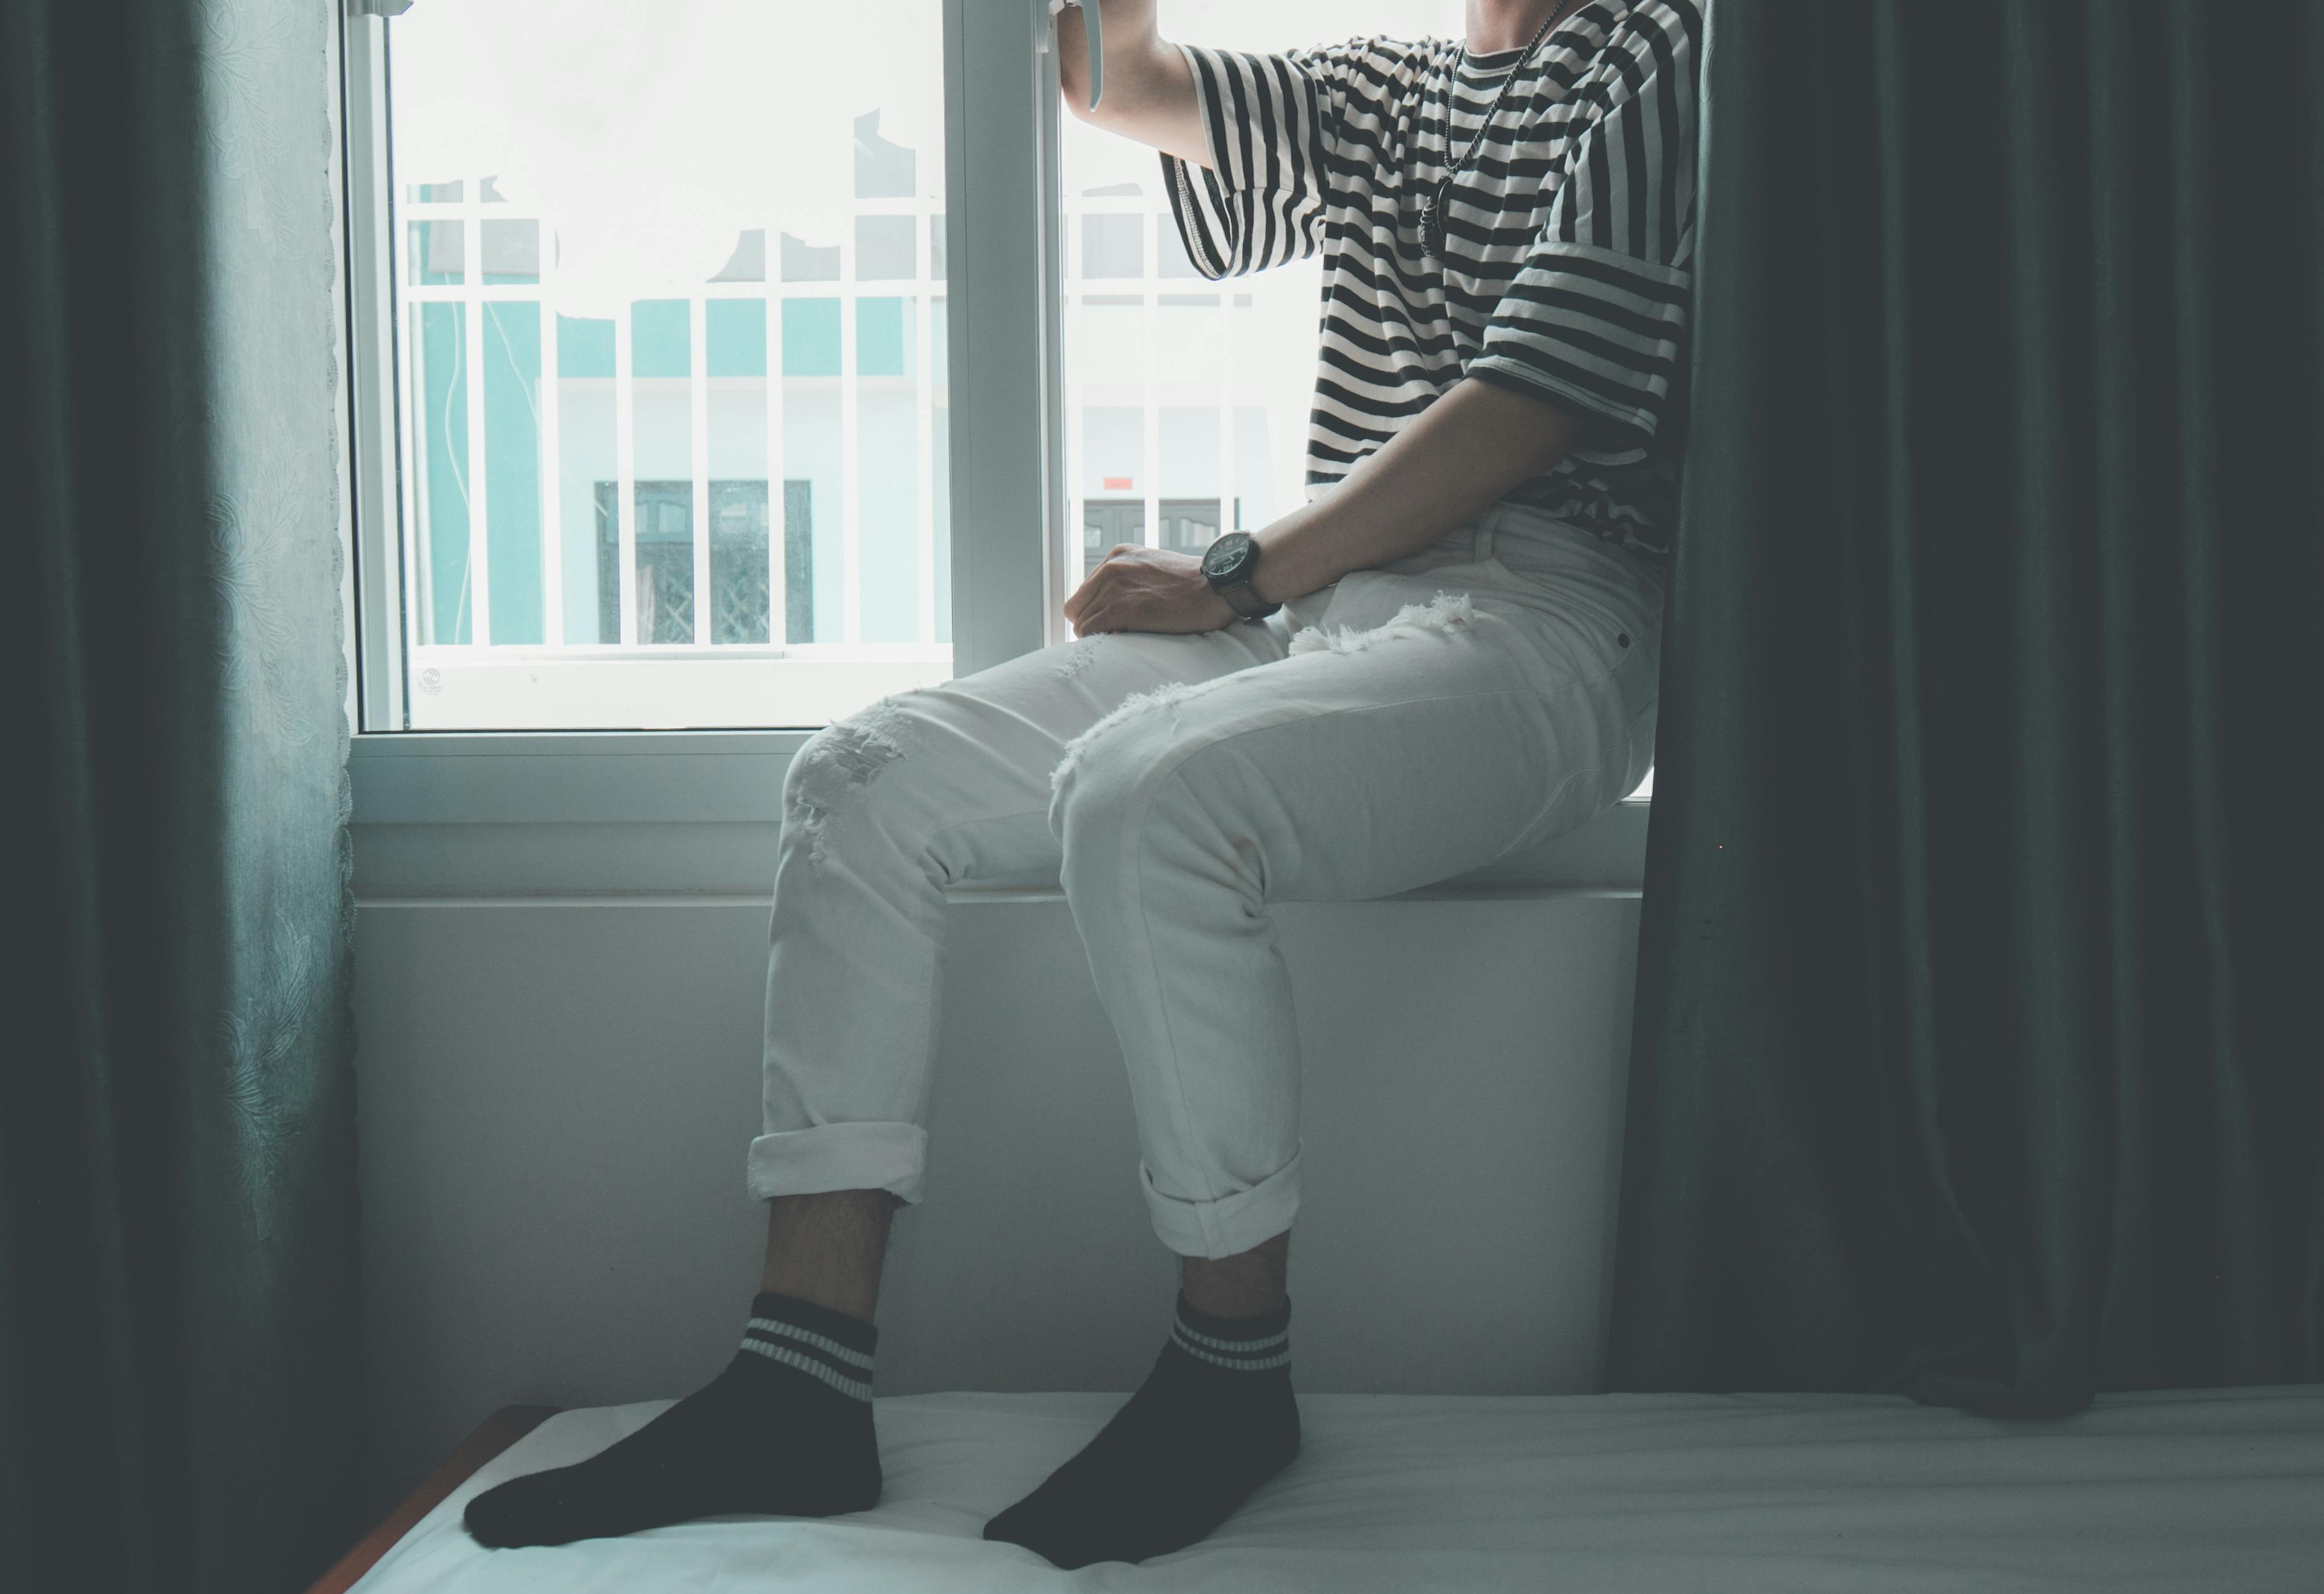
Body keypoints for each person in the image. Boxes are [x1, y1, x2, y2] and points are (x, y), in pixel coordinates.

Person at [463, 0, 1701, 1570]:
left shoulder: (1657, 48)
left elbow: (1531, 402)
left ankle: (1232, 1368)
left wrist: (1232, 573)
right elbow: (1116, 80)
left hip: (1547, 614)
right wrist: (1267, 591)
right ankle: (797, 1377)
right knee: (859, 779)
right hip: (1332, 609)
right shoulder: (1382, 90)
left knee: (1141, 792)